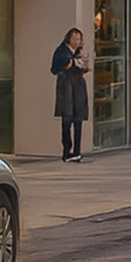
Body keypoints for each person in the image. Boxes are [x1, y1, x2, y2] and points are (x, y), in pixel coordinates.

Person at [51, 28, 90, 163]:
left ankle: (77, 151)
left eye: (78, 39)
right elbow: (55, 69)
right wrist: (67, 65)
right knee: (67, 119)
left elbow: (81, 68)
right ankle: (67, 151)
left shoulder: (78, 53)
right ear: (68, 38)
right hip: (66, 86)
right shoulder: (61, 51)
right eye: (74, 38)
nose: (76, 41)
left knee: (78, 119)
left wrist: (84, 67)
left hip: (78, 87)